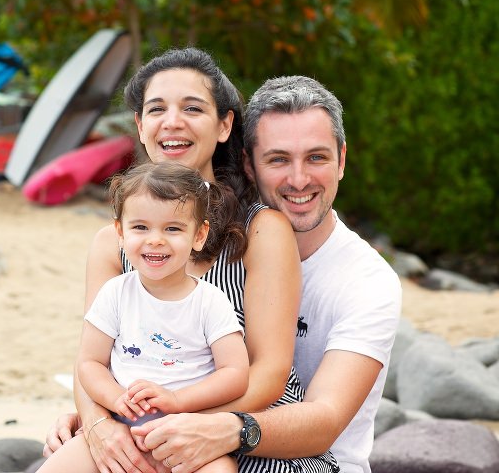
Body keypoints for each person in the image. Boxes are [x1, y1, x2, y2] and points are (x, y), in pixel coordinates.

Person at [44, 48, 338, 473]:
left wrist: (179, 425)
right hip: (136, 428)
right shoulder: (113, 243)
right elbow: (92, 359)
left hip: (242, 429)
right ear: (141, 127)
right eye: (157, 109)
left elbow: (269, 372)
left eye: (193, 108)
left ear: (224, 125)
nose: (173, 121)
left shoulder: (261, 230)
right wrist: (96, 425)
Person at [128, 76, 402, 473]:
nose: (299, 179)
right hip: (183, 444)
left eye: (317, 158)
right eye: (277, 160)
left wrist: (225, 430)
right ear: (248, 165)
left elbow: (324, 419)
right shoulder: (203, 246)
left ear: (342, 160)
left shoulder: (367, 281)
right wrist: (101, 416)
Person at [38, 161, 249, 473]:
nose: (155, 240)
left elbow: (235, 372)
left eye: (173, 229)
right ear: (120, 233)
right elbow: (89, 362)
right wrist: (116, 398)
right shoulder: (115, 293)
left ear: (199, 235)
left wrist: (177, 401)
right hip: (120, 426)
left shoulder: (210, 302)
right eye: (140, 227)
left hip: (187, 435)